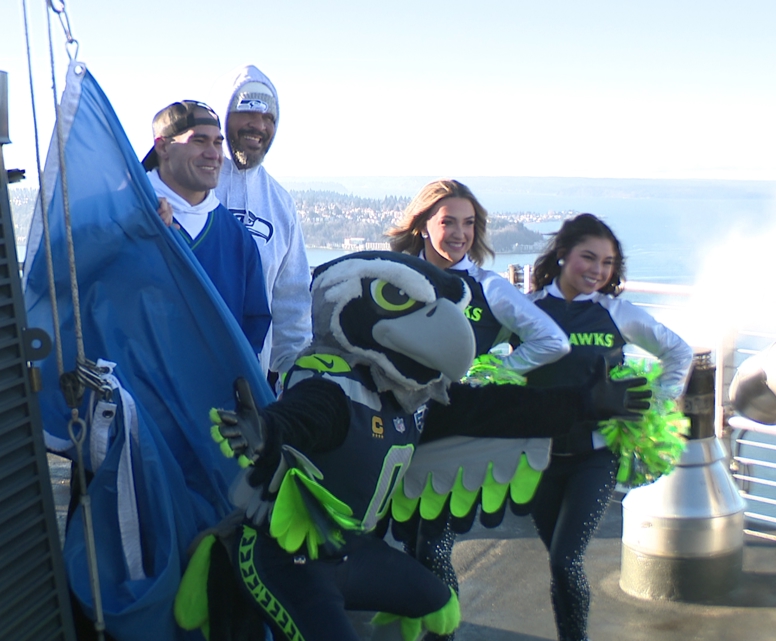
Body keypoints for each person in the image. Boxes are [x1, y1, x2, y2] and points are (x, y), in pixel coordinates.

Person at [176, 251, 651, 641]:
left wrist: (585, 403)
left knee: (437, 603)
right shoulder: (333, 387)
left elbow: (498, 410)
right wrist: (268, 431)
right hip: (281, 558)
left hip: (347, 549)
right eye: (397, 299)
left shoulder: (412, 398)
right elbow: (305, 416)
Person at [386, 179, 570, 640]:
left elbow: (552, 341)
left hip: (453, 434)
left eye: (469, 224)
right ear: (424, 225)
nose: (459, 233)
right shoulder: (393, 279)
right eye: (448, 222)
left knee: (434, 546)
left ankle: (440, 635)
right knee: (402, 542)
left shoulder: (488, 287)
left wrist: (492, 372)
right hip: (393, 427)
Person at [523, 213, 693, 641]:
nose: (598, 271)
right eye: (588, 258)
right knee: (558, 562)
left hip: (595, 457)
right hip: (535, 459)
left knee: (565, 560)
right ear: (562, 254)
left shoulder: (617, 313)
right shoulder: (526, 310)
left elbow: (678, 351)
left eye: (608, 262)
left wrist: (653, 404)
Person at [141, 99, 271, 354]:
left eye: (217, 143)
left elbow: (252, 327)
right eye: (198, 141)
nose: (213, 154)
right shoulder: (124, 214)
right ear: (163, 147)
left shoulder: (236, 237)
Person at [213, 65, 312, 380]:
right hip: (181, 374)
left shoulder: (280, 205)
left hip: (252, 383)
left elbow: (291, 302)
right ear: (223, 115)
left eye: (269, 117)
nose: (259, 125)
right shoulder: (189, 185)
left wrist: (295, 377)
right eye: (248, 112)